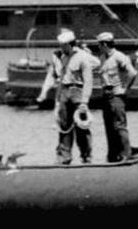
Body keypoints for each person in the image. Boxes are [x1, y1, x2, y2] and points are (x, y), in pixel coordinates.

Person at [36, 29, 94, 164]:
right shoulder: (58, 57)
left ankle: (86, 155)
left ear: (70, 44)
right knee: (63, 126)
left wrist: (85, 101)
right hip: (63, 91)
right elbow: (51, 75)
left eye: (63, 45)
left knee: (82, 126)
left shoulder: (83, 57)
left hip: (77, 92)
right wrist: (44, 92)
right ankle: (64, 156)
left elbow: (88, 81)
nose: (61, 48)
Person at [95, 32, 137, 162]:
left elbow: (132, 73)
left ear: (105, 44)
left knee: (119, 125)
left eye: (99, 45)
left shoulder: (119, 57)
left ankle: (126, 153)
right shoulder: (102, 57)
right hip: (106, 95)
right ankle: (113, 155)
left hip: (116, 95)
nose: (98, 47)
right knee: (109, 127)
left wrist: (125, 89)